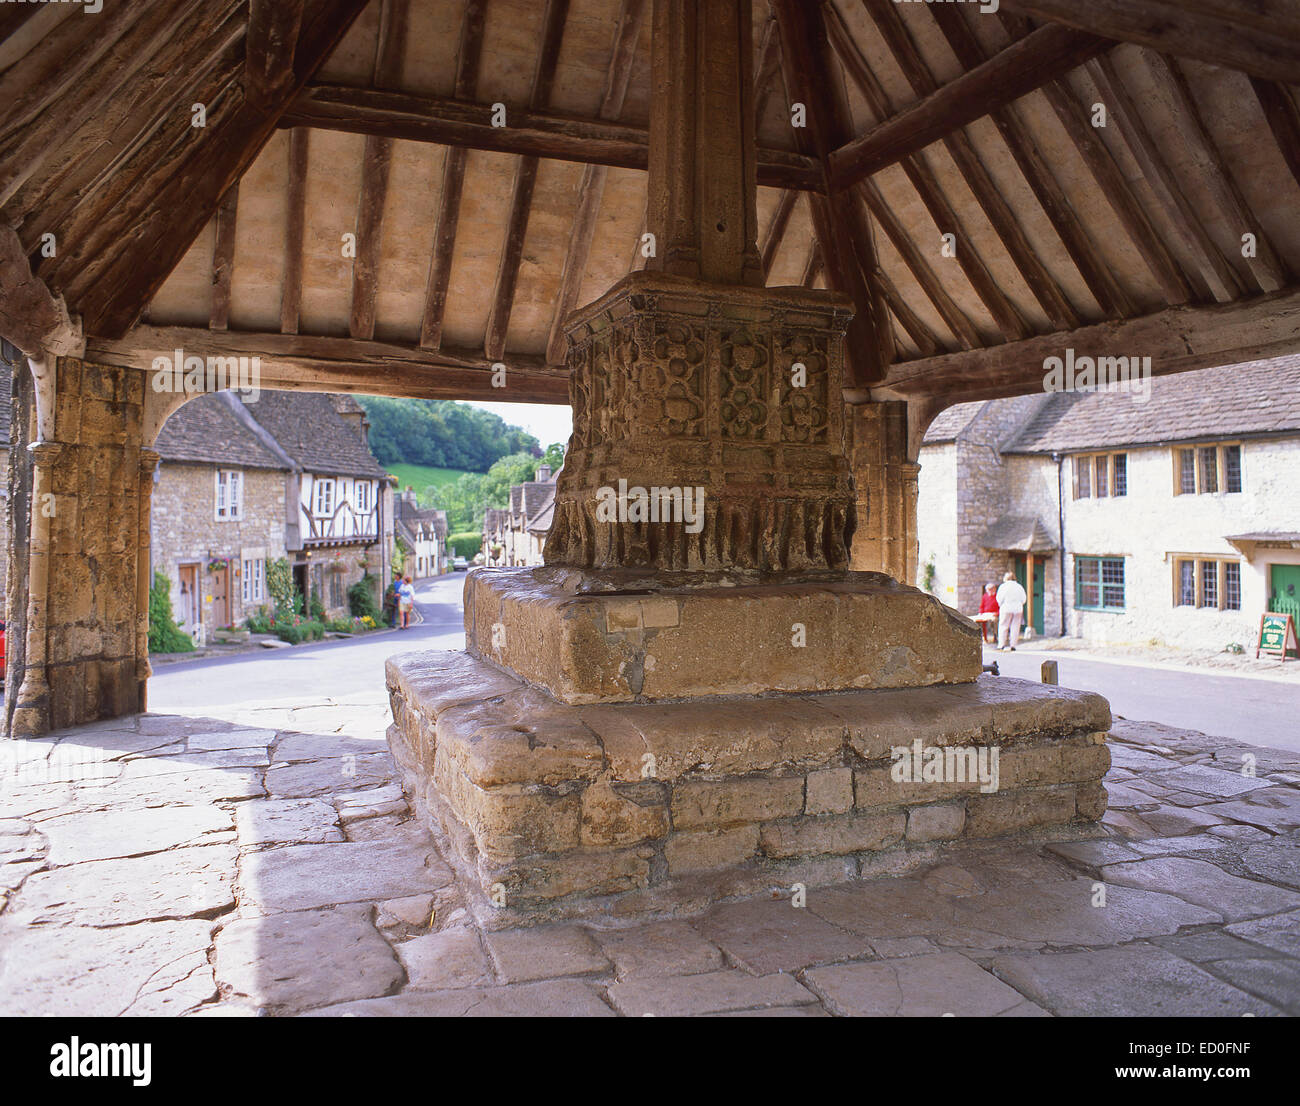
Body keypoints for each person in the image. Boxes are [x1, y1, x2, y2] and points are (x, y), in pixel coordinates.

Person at [996, 571, 1027, 652]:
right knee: (1015, 627)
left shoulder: (1003, 586)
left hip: (1006, 607)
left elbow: (999, 599)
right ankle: (1013, 645)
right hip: (1017, 608)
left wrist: (1001, 605)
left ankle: (1001, 644)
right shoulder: (1019, 587)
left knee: (1003, 626)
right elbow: (1023, 599)